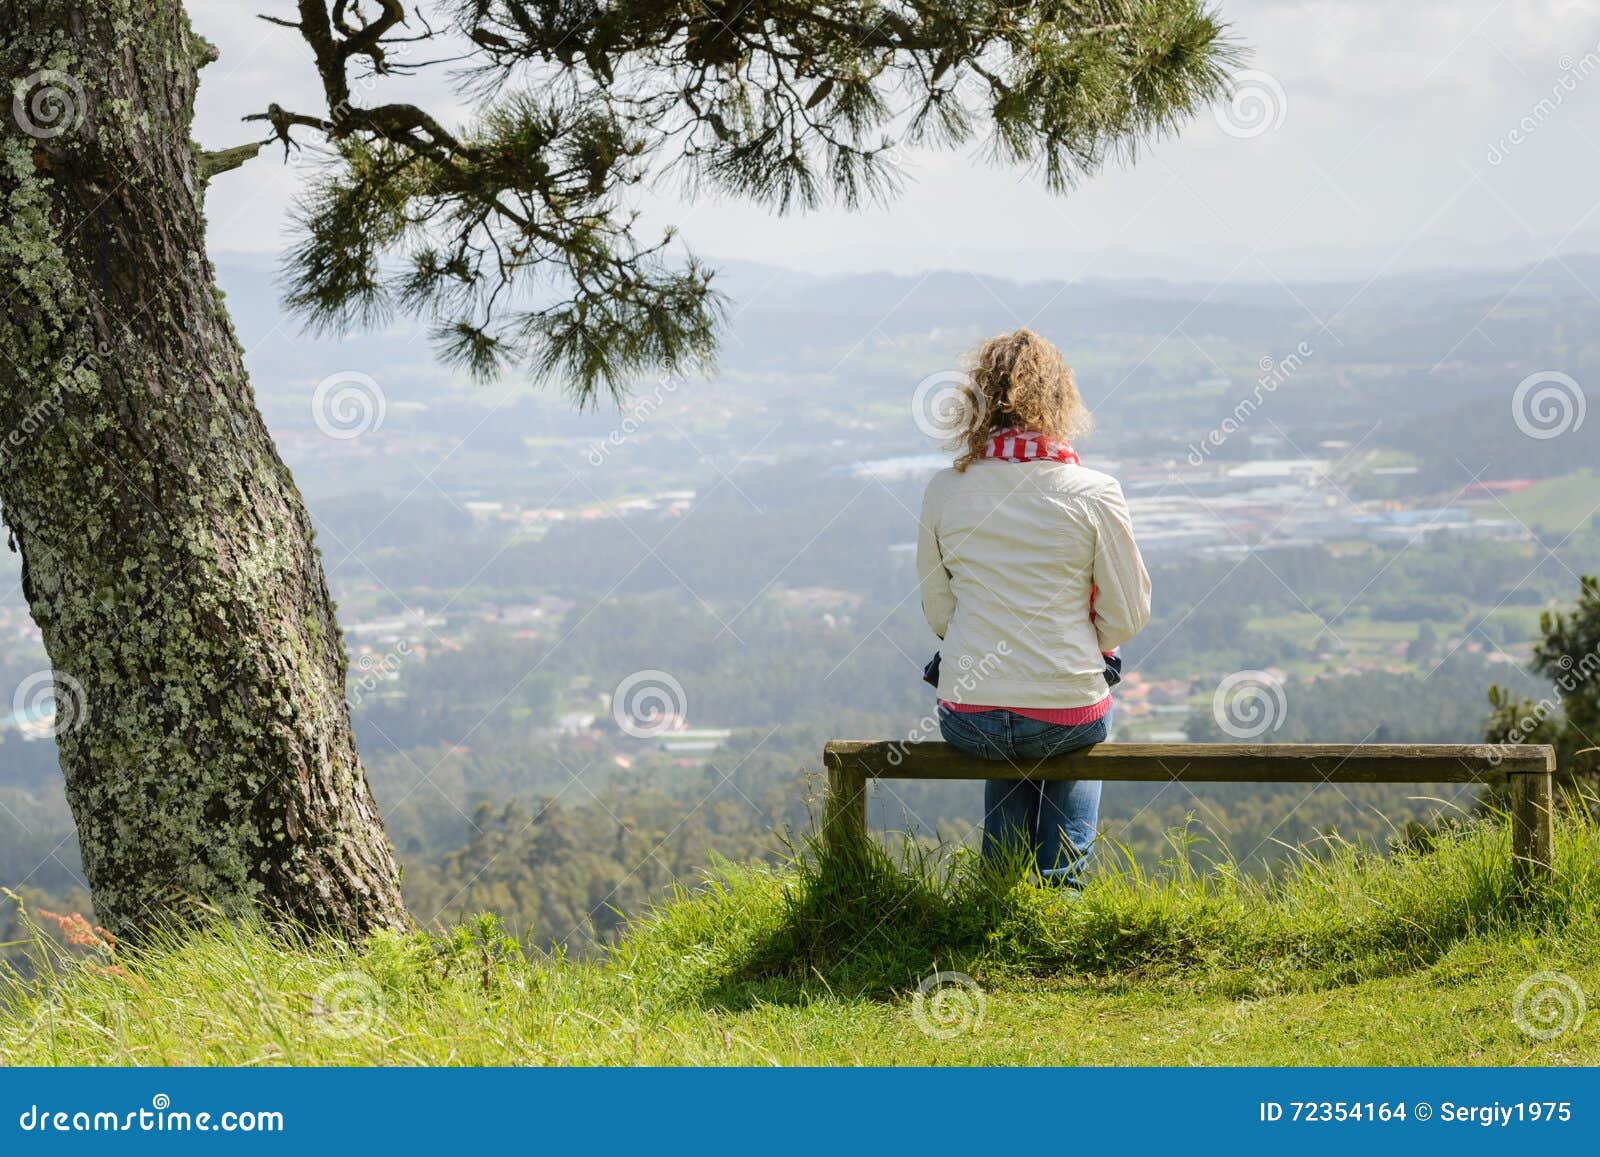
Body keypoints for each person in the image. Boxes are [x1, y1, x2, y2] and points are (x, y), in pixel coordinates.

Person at [916, 329, 1151, 885]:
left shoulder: (944, 491)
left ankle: (999, 889)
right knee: (1063, 724)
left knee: (1006, 731)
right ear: (1060, 399)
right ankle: (1059, 893)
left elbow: (939, 611)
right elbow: (1128, 614)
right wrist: (1092, 643)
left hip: (969, 714)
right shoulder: (1094, 491)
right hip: (1065, 709)